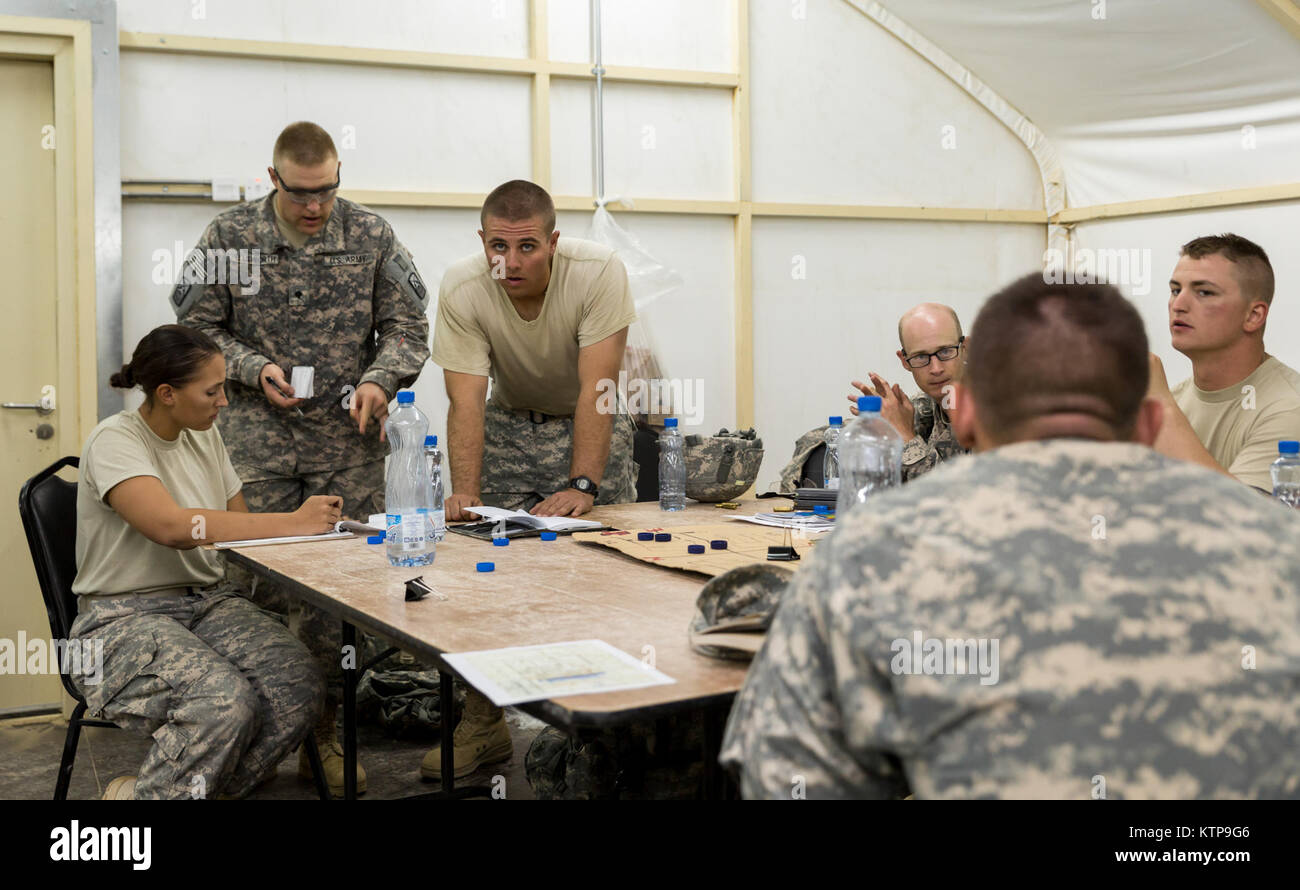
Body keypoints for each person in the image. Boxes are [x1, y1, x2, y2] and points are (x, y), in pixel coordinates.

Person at [721, 274, 1300, 799]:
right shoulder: (1277, 544)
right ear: (1149, 424)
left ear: (966, 416)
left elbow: (787, 781)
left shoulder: (873, 554)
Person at [173, 121, 431, 795]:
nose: (316, 206)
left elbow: (407, 327)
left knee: (338, 596)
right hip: (254, 444)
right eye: (300, 194)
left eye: (327, 190)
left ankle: (327, 736)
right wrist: (255, 368)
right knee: (245, 584)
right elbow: (194, 328)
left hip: (345, 442)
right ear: (273, 179)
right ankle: (252, 731)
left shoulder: (371, 236)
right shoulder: (229, 239)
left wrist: (381, 378)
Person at [69, 325, 334, 800]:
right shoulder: (115, 440)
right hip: (121, 618)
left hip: (207, 606)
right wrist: (293, 521)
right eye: (212, 391)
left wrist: (338, 540)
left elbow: (237, 526)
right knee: (221, 702)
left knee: (299, 685)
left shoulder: (204, 436)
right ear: (167, 393)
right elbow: (171, 528)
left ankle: (155, 793)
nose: (224, 402)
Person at [428, 179, 637, 780]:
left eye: (526, 247)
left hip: (586, 424)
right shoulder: (464, 287)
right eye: (498, 246)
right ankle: (485, 722)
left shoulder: (599, 273)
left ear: (553, 241)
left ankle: (605, 732)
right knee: (485, 576)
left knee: (600, 572)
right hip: (508, 425)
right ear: (481, 240)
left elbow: (598, 389)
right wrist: (464, 492)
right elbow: (466, 401)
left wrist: (586, 485)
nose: (509, 262)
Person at [1146, 233, 1300, 491]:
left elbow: (1244, 520)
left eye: (1204, 292)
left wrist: (1161, 404)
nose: (1178, 304)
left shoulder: (1289, 409)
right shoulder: (1175, 398)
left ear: (1253, 315)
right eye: (1175, 290)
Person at [774, 302, 969, 492]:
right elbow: (818, 440)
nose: (936, 369)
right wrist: (878, 428)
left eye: (945, 352)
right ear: (905, 361)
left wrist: (907, 439)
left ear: (965, 348)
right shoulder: (928, 405)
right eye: (920, 357)